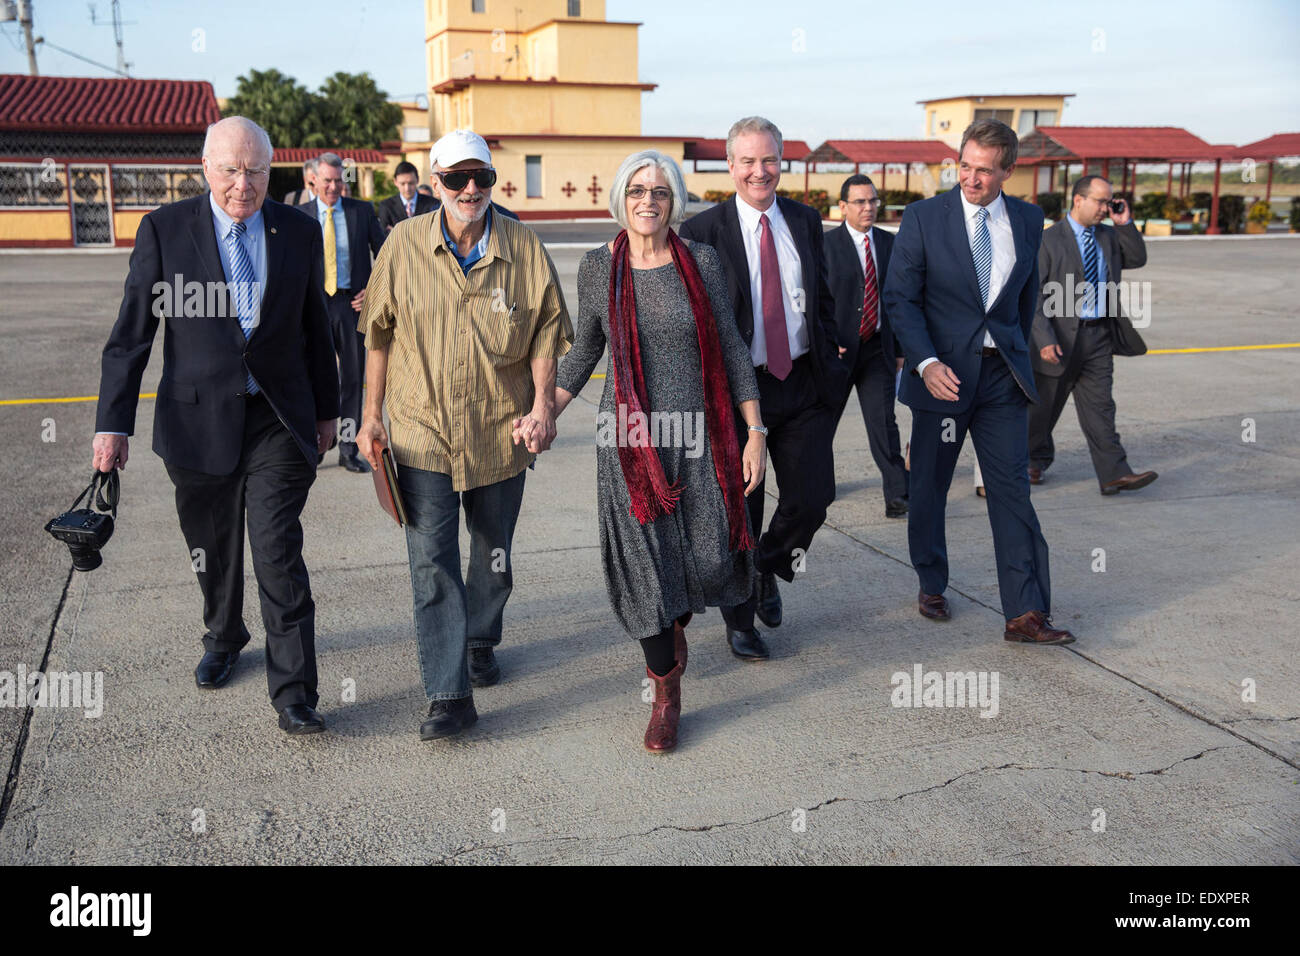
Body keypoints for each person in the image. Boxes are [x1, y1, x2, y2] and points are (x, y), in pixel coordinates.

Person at [93, 117, 340, 734]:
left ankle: (295, 693)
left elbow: (317, 326)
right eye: (230, 169)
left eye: (256, 170)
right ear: (205, 169)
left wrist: (329, 411)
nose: (243, 184)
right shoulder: (166, 230)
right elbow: (131, 335)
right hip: (196, 420)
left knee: (277, 551)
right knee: (212, 546)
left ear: (271, 172)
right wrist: (111, 424)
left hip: (277, 418)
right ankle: (224, 634)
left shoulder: (297, 231)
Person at [356, 129, 572, 742]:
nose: (470, 189)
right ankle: (448, 695)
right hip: (422, 434)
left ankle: (480, 635)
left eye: (481, 178)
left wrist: (543, 410)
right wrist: (371, 417)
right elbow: (377, 333)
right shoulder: (400, 245)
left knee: (493, 555)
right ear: (434, 184)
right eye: (455, 179)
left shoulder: (524, 248)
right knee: (431, 563)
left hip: (500, 435)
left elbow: (547, 335)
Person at [545, 150, 765, 753]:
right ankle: (665, 696)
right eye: (638, 190)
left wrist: (755, 433)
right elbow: (584, 351)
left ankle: (675, 624)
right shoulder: (598, 267)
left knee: (709, 557)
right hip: (628, 442)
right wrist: (546, 413)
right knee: (645, 574)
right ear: (622, 198)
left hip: (699, 437)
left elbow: (733, 349)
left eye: (661, 192)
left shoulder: (702, 262)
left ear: (676, 202)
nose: (648, 201)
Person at [884, 119, 1074, 646]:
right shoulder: (924, 218)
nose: (971, 178)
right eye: (964, 166)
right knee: (929, 487)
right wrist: (924, 362)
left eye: (984, 171)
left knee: (1012, 491)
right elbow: (901, 299)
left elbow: (1025, 296)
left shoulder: (1030, 220)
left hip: (1000, 380)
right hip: (942, 378)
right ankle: (931, 580)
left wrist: (1017, 349)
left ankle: (1025, 611)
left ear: (1008, 171)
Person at [678, 116, 846, 660]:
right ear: (730, 166)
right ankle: (740, 620)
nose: (759, 171)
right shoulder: (703, 232)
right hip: (735, 391)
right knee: (741, 509)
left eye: (769, 160)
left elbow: (818, 297)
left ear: (782, 164)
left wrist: (833, 350)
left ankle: (769, 567)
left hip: (800, 382)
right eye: (747, 161)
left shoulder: (804, 219)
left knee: (812, 498)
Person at [1029, 175, 1156, 495]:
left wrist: (1125, 223)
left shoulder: (1109, 237)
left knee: (1101, 407)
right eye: (1101, 202)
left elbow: (1137, 258)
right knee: (1043, 408)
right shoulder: (1048, 240)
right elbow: (1033, 295)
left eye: (1109, 202)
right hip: (1058, 338)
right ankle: (1031, 460)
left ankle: (1114, 472)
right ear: (1078, 200)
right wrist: (1043, 339)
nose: (1105, 208)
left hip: (1098, 335)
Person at [826, 174, 908, 518]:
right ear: (843, 206)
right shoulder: (825, 246)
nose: (868, 208)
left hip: (877, 348)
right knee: (823, 423)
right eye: (860, 202)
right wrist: (827, 343)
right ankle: (820, 488)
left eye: (873, 201)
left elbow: (901, 301)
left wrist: (902, 349)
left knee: (883, 422)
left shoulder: (891, 245)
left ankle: (897, 493)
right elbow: (815, 301)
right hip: (838, 351)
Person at [300, 153, 385, 474]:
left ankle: (348, 448)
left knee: (352, 380)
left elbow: (386, 253)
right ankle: (315, 444)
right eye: (327, 181)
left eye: (338, 180)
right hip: (313, 308)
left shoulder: (361, 212)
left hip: (351, 306)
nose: (334, 186)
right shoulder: (301, 215)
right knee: (311, 378)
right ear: (314, 181)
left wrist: (374, 290)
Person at [377, 160, 437, 233]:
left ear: (417, 180)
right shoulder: (386, 206)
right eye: (402, 184)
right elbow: (384, 236)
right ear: (395, 182)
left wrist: (396, 232)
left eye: (411, 183)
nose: (407, 188)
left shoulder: (432, 203)